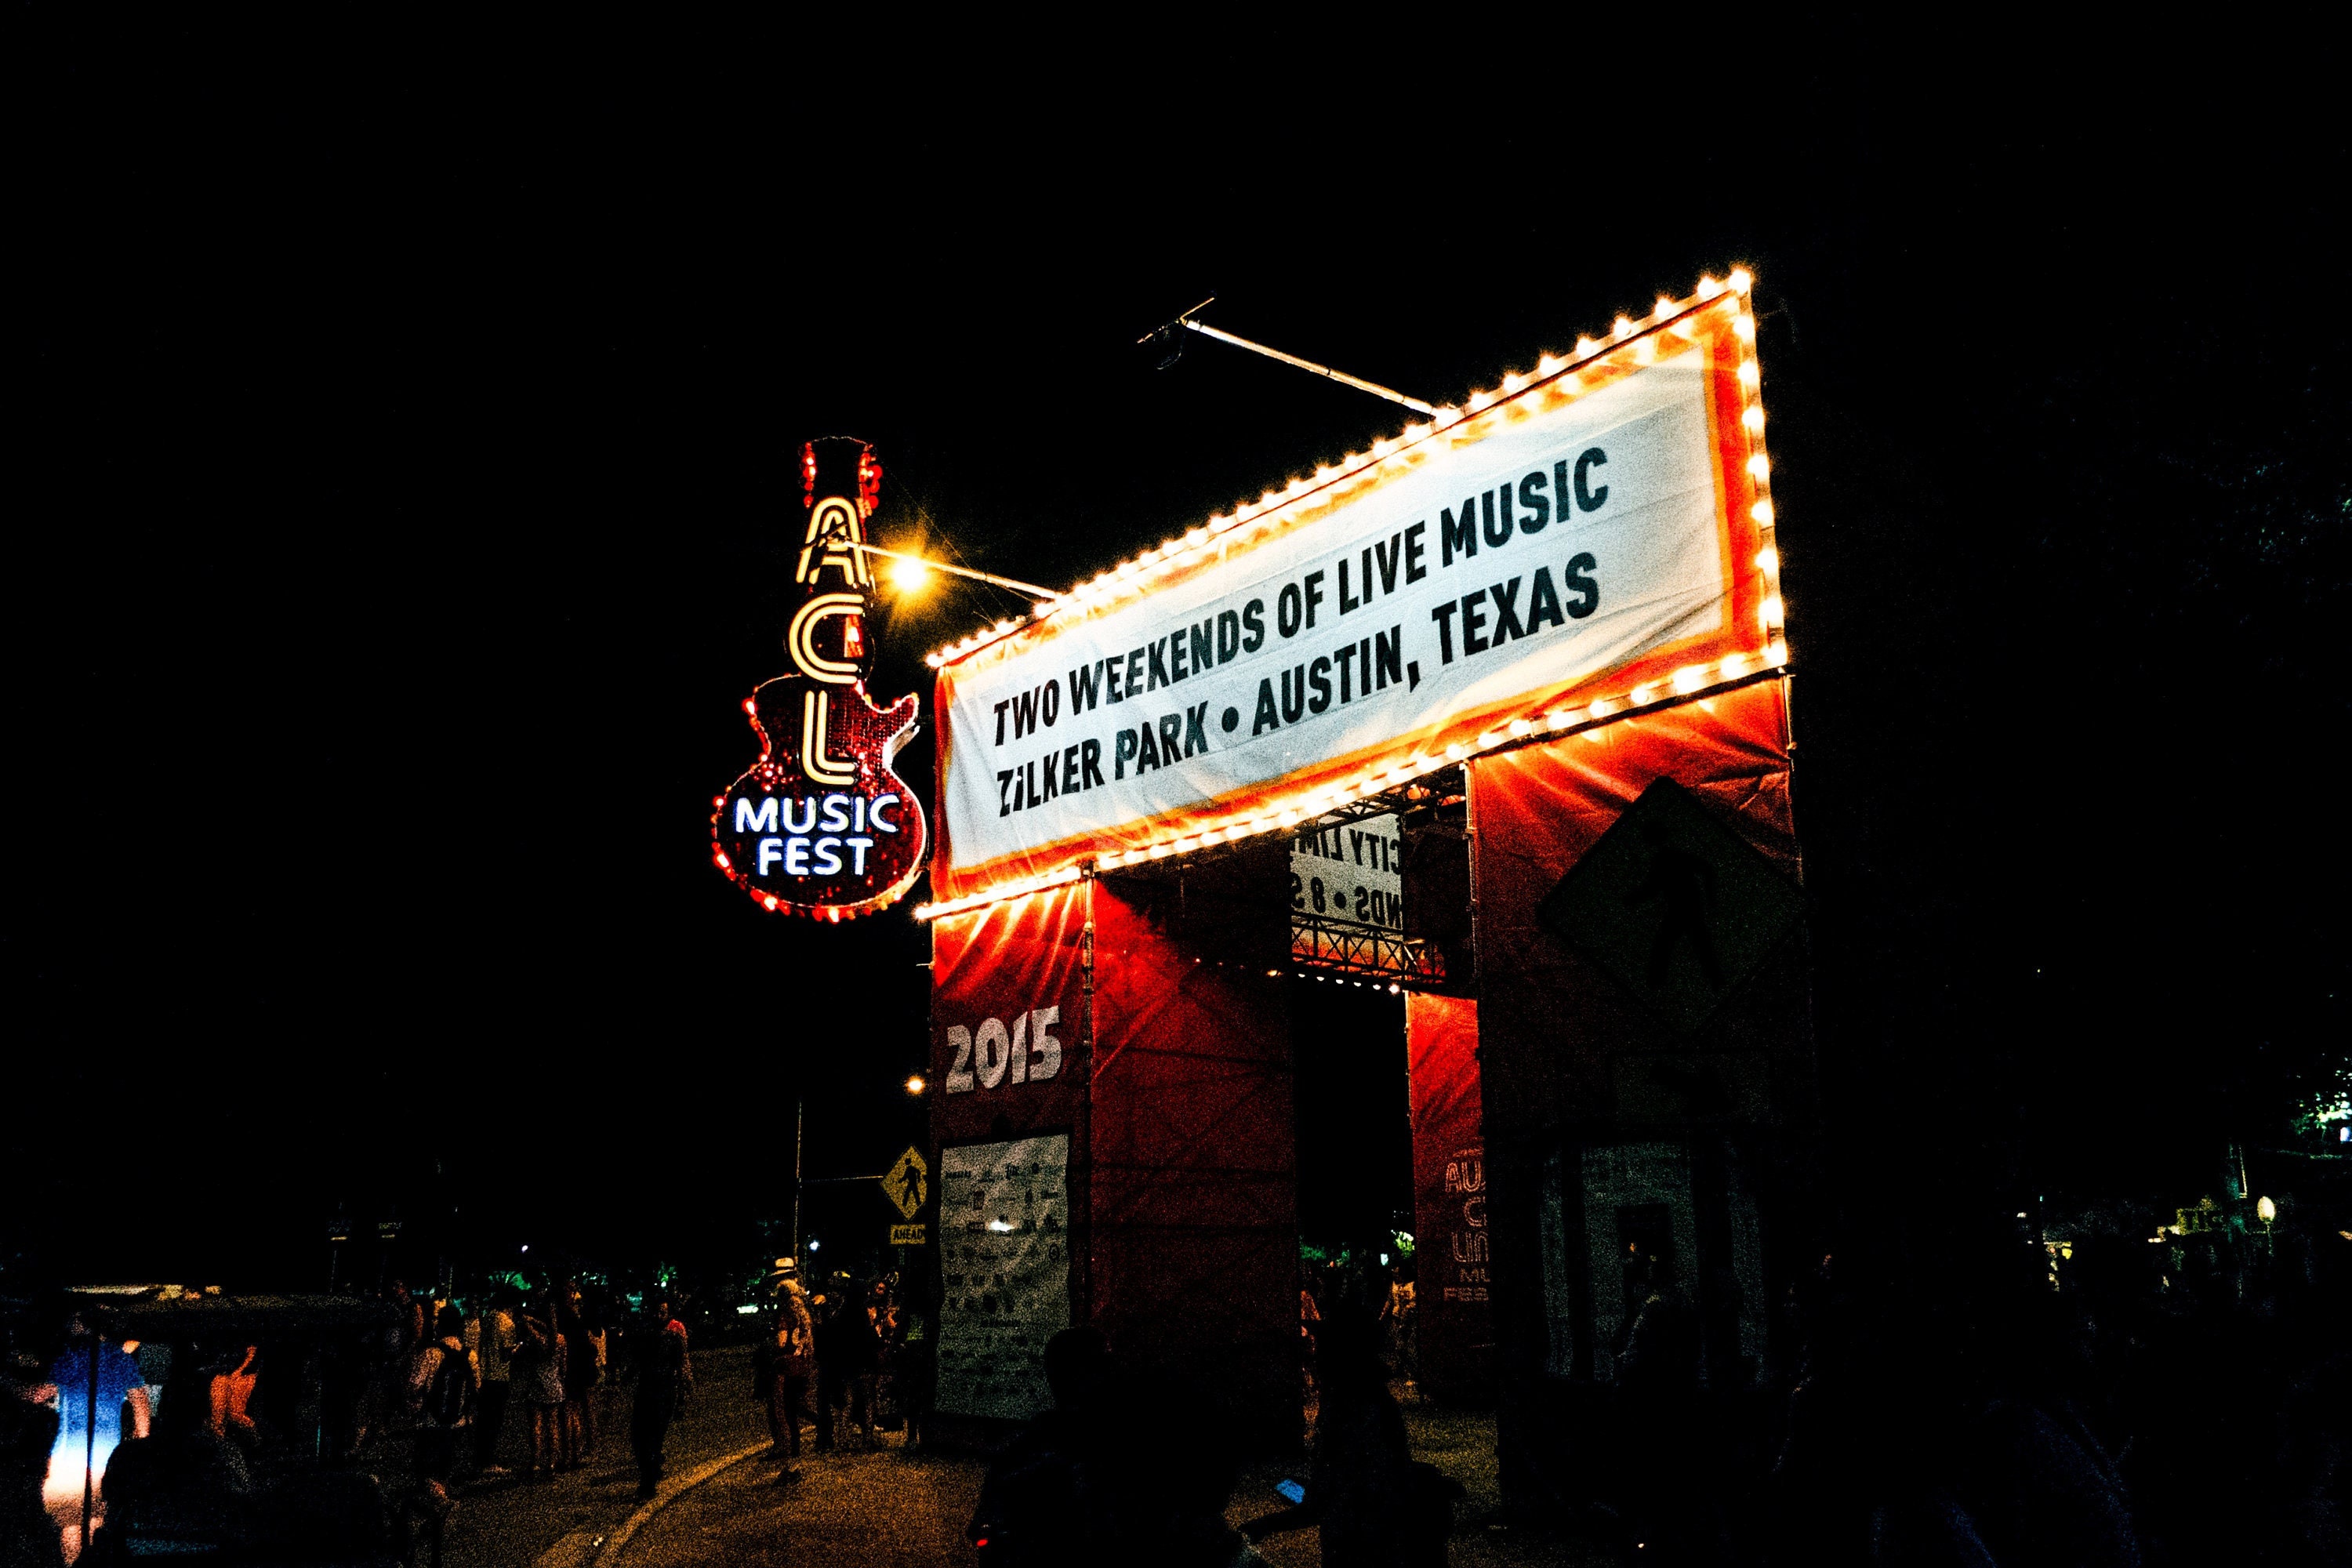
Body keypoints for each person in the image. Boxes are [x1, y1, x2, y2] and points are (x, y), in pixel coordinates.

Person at [1243, 1312, 1441, 1568]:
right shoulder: (1370, 1401)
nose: (1315, 1357)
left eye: (1322, 1348)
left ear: (1342, 1356)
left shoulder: (1351, 1411)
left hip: (1359, 1547)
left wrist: (1265, 1524)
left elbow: (1335, 1498)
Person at [968, 1327, 1112, 1565]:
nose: (1110, 1375)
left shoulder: (1026, 1440)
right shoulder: (1111, 1440)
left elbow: (983, 1527)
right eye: (1102, 1366)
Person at [406, 1307, 477, 1486]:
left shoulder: (430, 1353)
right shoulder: (471, 1355)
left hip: (431, 1419)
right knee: (446, 1465)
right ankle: (442, 1493)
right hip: (458, 1421)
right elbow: (476, 1387)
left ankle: (436, 1501)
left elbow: (413, 1385)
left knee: (425, 1469)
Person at [628, 1299, 691, 1500]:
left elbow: (682, 1365)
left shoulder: (674, 1337)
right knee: (640, 1437)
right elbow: (635, 1362)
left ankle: (648, 1482)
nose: (658, 1316)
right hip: (646, 1390)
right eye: (656, 1312)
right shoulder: (646, 1336)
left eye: (662, 1312)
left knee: (653, 1437)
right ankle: (649, 1475)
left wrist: (683, 1394)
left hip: (664, 1390)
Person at [509, 1309, 565, 1483]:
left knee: (536, 1426)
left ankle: (535, 1462)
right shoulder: (561, 1341)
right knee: (553, 1425)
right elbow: (564, 1367)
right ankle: (551, 1464)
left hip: (537, 1385)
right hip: (554, 1385)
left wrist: (528, 1320)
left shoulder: (536, 1340)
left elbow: (529, 1331)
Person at [470, 1287, 519, 1477]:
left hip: (485, 1373)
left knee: (484, 1421)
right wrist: (518, 1348)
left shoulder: (488, 1318)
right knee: (494, 1421)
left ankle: (480, 1459)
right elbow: (506, 1353)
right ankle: (488, 1461)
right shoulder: (507, 1323)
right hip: (499, 1376)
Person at [557, 1289, 597, 1470]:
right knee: (583, 1410)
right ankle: (583, 1448)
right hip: (583, 1367)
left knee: (571, 1412)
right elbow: (591, 1346)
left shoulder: (568, 1320)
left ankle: (572, 1453)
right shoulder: (579, 1320)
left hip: (574, 1368)